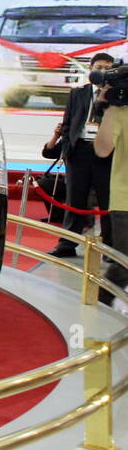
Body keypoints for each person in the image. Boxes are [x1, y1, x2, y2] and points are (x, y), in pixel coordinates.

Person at [46, 53, 115, 262]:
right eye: (100, 67)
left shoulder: (117, 96)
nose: (102, 71)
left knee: (107, 202)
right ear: (91, 68)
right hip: (79, 151)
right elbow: (68, 121)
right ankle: (67, 243)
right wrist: (67, 146)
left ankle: (109, 249)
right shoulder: (78, 93)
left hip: (107, 152)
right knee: (74, 199)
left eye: (107, 68)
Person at [92, 76, 128, 304]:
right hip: (126, 201)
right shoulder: (120, 112)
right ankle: (99, 308)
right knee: (124, 265)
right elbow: (103, 150)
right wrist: (108, 108)